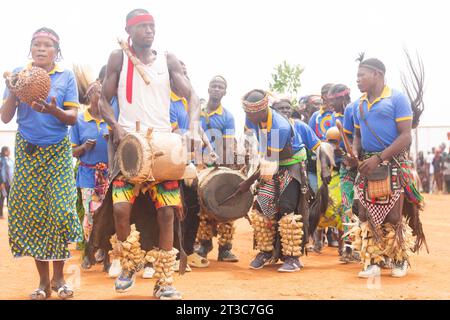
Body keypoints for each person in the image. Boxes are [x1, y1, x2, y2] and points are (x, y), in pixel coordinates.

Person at [99, 9, 201, 300]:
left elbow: (192, 95)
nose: (149, 31)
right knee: (120, 208)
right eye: (142, 26)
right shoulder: (117, 57)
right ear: (129, 30)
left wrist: (193, 125)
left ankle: (165, 280)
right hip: (129, 144)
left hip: (162, 145)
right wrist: (115, 125)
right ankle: (130, 264)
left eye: (152, 26)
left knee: (167, 213)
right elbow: (102, 100)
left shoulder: (167, 60)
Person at [1, 27, 83, 299]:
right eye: (36, 44)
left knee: (59, 211)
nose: (40, 49)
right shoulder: (17, 74)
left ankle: (60, 278)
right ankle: (43, 283)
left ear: (56, 51)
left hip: (58, 152)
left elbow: (72, 118)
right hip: (27, 150)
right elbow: (5, 117)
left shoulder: (66, 76)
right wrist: (13, 90)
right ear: (30, 48)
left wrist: (53, 110)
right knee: (34, 215)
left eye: (47, 45)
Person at [350, 57, 427, 278]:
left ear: (377, 74)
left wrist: (380, 158)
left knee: (393, 216)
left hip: (392, 163)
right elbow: (356, 135)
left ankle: (399, 259)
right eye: (356, 76)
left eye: (361, 75)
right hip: (367, 164)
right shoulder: (359, 104)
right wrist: (355, 154)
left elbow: (405, 136)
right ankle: (373, 262)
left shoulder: (397, 99)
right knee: (365, 214)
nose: (357, 80)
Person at [239, 89, 308, 272]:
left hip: (291, 164)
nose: (247, 117)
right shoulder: (251, 118)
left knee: (286, 208)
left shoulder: (280, 127)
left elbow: (271, 161)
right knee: (262, 207)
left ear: (262, 110)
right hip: (270, 162)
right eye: (246, 113)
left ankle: (292, 257)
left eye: (250, 113)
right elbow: (265, 155)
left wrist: (248, 182)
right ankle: (265, 252)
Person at [195, 76, 239, 263]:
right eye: (213, 85)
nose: (216, 89)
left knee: (226, 206)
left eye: (220, 86)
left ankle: (225, 249)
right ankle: (204, 245)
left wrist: (225, 166)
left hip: (220, 166)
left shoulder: (227, 117)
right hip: (199, 166)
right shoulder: (197, 113)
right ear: (208, 89)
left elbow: (228, 143)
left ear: (225, 92)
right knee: (201, 208)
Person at [70, 80, 109, 270]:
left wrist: (112, 141)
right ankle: (88, 253)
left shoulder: (111, 119)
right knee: (90, 215)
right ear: (89, 96)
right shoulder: (79, 120)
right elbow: (71, 151)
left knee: (107, 214)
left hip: (109, 174)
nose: (100, 97)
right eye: (97, 93)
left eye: (103, 93)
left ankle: (106, 253)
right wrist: (85, 147)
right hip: (88, 175)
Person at [0, 146, 13, 219]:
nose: (10, 152)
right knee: (2, 197)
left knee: (10, 198)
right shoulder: (1, 160)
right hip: (3, 183)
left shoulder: (10, 160)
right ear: (5, 151)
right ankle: (1, 214)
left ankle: (10, 213)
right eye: (8, 151)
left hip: (10, 183)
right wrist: (1, 182)